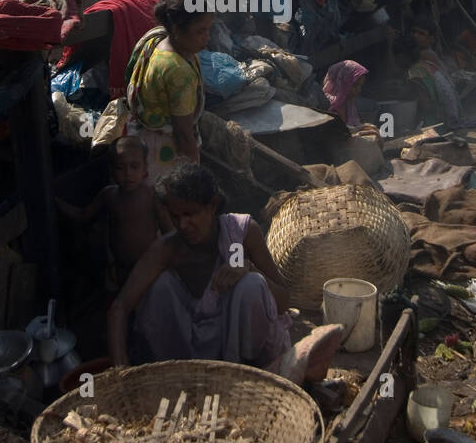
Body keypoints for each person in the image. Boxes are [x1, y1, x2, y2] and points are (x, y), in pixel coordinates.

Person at [107, 163, 343, 383]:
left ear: (212, 205)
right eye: (175, 216)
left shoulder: (240, 234)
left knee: (251, 284)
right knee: (160, 288)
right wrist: (121, 368)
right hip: (191, 352)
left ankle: (248, 376)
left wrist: (248, 269)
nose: (182, 225)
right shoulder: (169, 248)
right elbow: (120, 307)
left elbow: (283, 301)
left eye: (190, 214)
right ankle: (177, 375)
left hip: (241, 350)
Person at [124, 0, 212, 181]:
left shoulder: (157, 41)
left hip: (143, 137)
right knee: (170, 195)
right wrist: (194, 171)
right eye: (200, 31)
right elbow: (183, 134)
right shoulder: (179, 72)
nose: (207, 37)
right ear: (178, 30)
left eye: (208, 30)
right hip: (164, 148)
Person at [86, 136, 169, 290]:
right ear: (111, 170)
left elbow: (167, 231)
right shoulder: (108, 195)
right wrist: (55, 201)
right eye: (120, 167)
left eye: (134, 166)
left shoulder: (152, 195)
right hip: (119, 268)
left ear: (145, 169)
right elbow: (84, 216)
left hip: (148, 267)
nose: (128, 173)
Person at [321, 60, 379, 135]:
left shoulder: (348, 104)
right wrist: (357, 131)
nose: (359, 90)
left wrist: (361, 127)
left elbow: (349, 127)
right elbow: (332, 134)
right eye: (355, 85)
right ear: (341, 83)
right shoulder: (325, 104)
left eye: (360, 86)